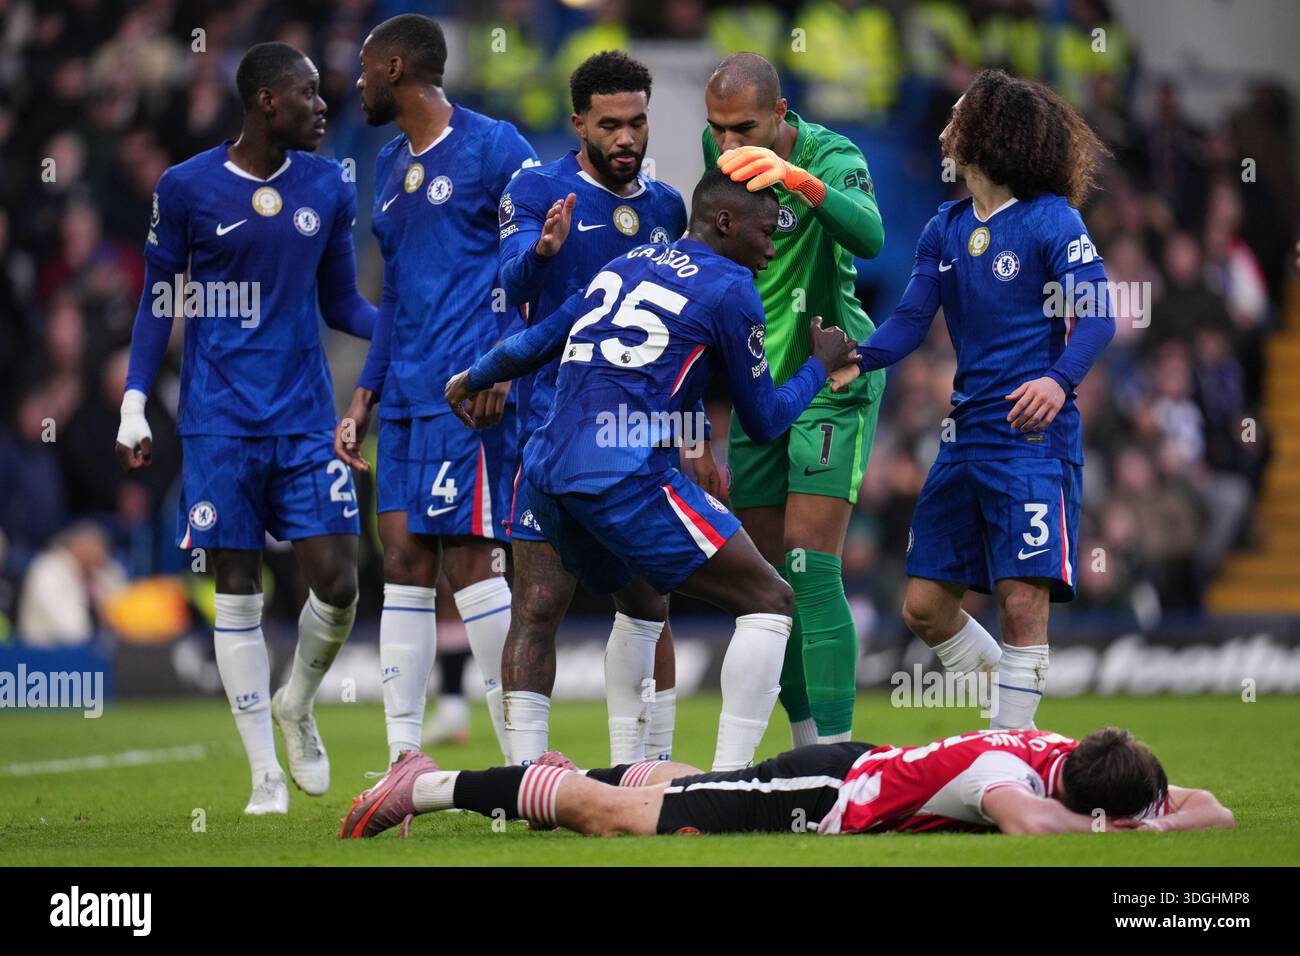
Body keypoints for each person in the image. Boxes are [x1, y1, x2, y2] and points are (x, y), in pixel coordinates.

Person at [446, 171, 859, 771]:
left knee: (614, 601)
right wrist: (820, 366)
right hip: (623, 475)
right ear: (725, 223)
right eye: (767, 233)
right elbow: (765, 418)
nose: (772, 248)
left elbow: (541, 339)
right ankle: (730, 780)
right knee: (771, 599)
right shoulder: (731, 286)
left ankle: (542, 776)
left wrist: (473, 376)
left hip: (545, 467)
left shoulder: (626, 262)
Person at [115, 42, 377, 814]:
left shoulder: (328, 184)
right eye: (309, 94)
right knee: (237, 589)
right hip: (219, 423)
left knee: (338, 580)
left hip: (302, 420)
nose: (324, 106)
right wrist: (134, 403)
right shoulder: (187, 187)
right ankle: (264, 771)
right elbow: (156, 301)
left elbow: (342, 304)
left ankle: (297, 703)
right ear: (266, 102)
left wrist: (409, 328)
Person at [829, 70, 1116, 730]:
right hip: (963, 440)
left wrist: (1057, 380)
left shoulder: (1051, 220)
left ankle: (1012, 748)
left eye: (954, 118)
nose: (940, 131)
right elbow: (907, 321)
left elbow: (1098, 314)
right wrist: (856, 357)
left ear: (988, 134)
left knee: (1022, 604)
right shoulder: (945, 226)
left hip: (1031, 440)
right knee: (924, 607)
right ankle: (1019, 725)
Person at [334, 14, 538, 766]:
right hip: (409, 401)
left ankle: (522, 760)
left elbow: (535, 268)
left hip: (470, 394)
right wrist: (366, 394)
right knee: (402, 564)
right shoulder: (387, 167)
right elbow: (393, 296)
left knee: (471, 564)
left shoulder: (495, 147)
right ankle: (402, 760)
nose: (354, 82)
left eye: (362, 68)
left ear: (394, 68)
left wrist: (502, 365)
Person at [494, 50, 700, 766]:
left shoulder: (668, 207)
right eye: (609, 124)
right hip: (551, 434)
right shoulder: (535, 189)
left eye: (637, 123)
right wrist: (543, 252)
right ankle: (524, 778)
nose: (626, 138)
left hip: (639, 442)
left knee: (646, 605)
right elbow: (510, 277)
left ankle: (631, 770)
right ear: (579, 121)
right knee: (540, 606)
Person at [704, 52, 886, 748]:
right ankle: (807, 747)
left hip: (831, 372)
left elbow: (871, 237)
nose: (728, 145)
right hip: (759, 391)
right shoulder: (716, 151)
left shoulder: (832, 155)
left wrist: (798, 181)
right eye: (717, 130)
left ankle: (841, 759)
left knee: (812, 563)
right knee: (769, 585)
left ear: (781, 115)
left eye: (743, 128)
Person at [341, 726, 1234, 838]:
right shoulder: (1011, 778)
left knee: (696, 786)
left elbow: (1216, 811)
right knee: (620, 820)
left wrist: (1154, 821)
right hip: (828, 797)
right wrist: (1134, 837)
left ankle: (544, 780)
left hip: (850, 768)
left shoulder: (1085, 757)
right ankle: (428, 784)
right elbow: (1032, 831)